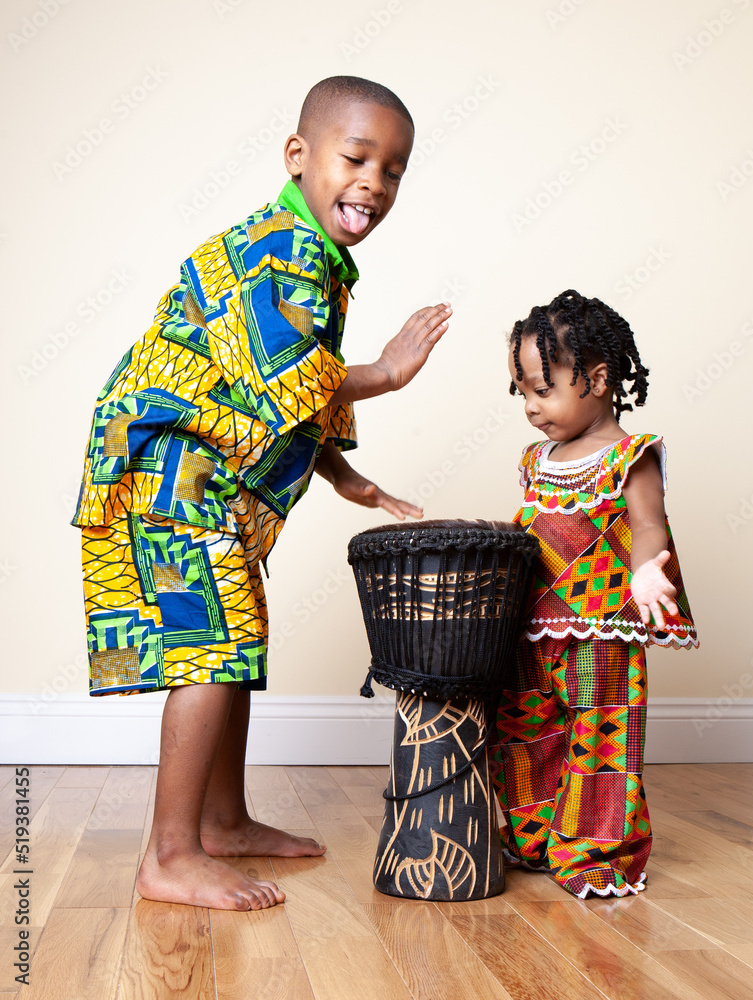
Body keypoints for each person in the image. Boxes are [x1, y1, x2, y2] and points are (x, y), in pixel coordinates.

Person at [72, 76, 451, 911]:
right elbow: (284, 375)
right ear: (298, 156)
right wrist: (387, 371)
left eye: (392, 171)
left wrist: (345, 475)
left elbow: (281, 392)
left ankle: (221, 822)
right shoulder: (278, 248)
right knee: (211, 646)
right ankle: (170, 855)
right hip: (168, 466)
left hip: (199, 470)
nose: (374, 184)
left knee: (234, 641)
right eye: (357, 159)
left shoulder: (316, 258)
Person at [491, 289, 697, 899]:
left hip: (601, 630)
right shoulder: (537, 459)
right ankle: (535, 835)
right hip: (531, 628)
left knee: (601, 736)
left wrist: (648, 569)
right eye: (522, 393)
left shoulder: (630, 456)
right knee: (524, 730)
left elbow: (649, 523)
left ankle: (596, 850)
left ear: (599, 379)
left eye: (542, 388)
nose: (531, 407)